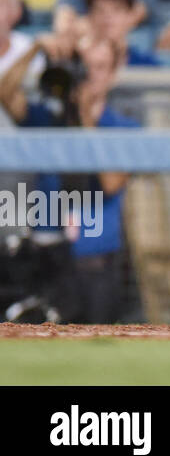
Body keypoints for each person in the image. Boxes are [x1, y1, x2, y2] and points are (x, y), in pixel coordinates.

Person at [0, 35, 136, 323]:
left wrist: (86, 118)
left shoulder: (122, 125)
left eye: (99, 68)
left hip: (94, 259)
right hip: (46, 255)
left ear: (112, 74)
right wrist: (35, 49)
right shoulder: (50, 119)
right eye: (84, 67)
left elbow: (112, 183)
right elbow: (6, 93)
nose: (90, 76)